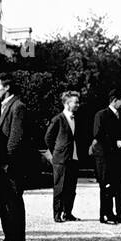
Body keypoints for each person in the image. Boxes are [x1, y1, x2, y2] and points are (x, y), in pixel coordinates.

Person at [0, 73, 27, 241]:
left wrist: (7, 162)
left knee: (13, 202)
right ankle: (9, 237)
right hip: (2, 164)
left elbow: (15, 138)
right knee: (2, 202)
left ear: (7, 88)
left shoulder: (17, 106)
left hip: (11, 165)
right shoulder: (5, 106)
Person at [89, 90, 121, 224]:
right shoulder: (101, 115)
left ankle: (119, 213)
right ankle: (106, 213)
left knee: (119, 185)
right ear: (115, 100)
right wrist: (115, 142)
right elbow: (98, 134)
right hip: (105, 156)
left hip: (120, 156)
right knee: (106, 185)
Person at [44, 91, 82, 222]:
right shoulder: (58, 119)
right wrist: (56, 152)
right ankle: (57, 214)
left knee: (72, 187)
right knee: (60, 186)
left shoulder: (76, 119)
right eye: (75, 102)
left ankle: (68, 213)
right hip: (61, 158)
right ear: (67, 103)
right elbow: (48, 137)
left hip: (74, 157)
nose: (78, 104)